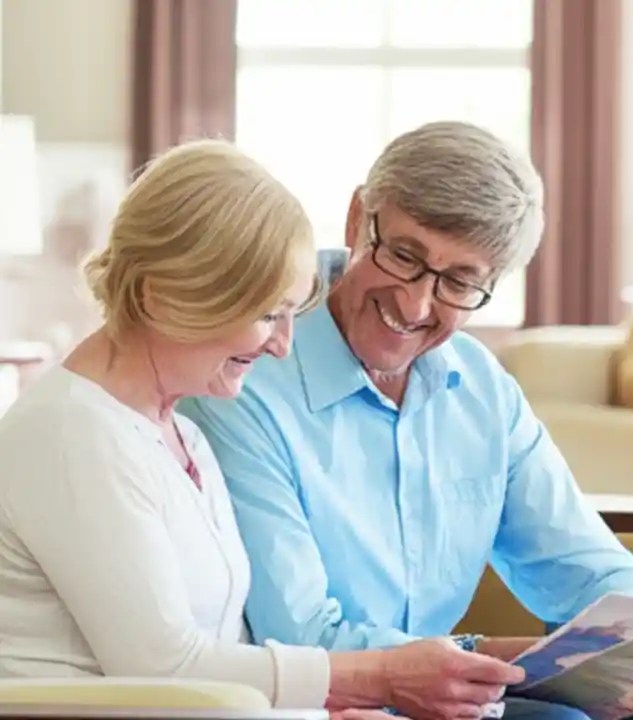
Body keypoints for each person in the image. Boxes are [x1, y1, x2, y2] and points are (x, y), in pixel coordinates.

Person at [180, 121, 633, 720]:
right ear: (357, 218)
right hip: (315, 701)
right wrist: (479, 655)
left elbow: (581, 563)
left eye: (460, 282)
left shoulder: (479, 387)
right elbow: (301, 636)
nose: (415, 303)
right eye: (404, 256)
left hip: (441, 701)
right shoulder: (245, 373)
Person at [0, 140, 526, 719]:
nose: (282, 345)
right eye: (268, 314)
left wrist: (325, 712)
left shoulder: (179, 436)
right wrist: (381, 678)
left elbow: (227, 654)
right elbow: (165, 671)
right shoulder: (70, 434)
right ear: (164, 296)